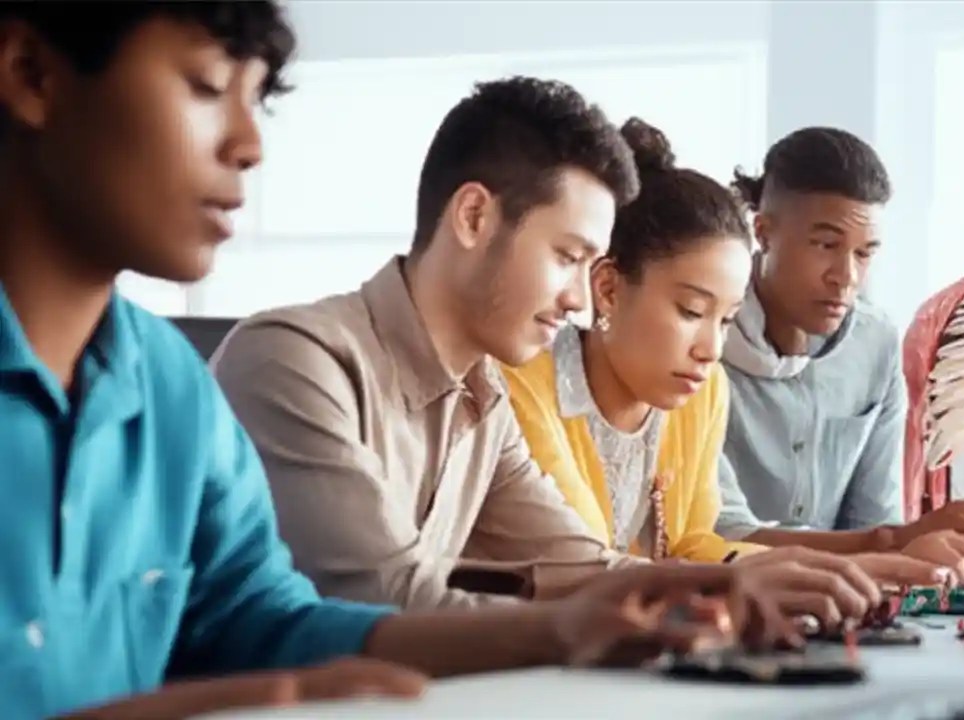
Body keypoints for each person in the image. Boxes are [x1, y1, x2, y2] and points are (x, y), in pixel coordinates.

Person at [0, 3, 857, 717]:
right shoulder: (287, 359)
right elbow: (370, 601)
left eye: (257, 102)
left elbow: (267, 620)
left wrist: (684, 594)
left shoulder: (169, 383)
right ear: (33, 75)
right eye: (204, 87)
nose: (250, 145)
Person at [211, 73, 885, 610]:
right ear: (474, 216)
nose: (577, 298)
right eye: (567, 257)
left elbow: (581, 565)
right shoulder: (297, 361)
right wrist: (596, 626)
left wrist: (734, 587)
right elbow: (387, 596)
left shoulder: (484, 401)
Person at [503, 118, 964, 590]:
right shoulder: (525, 384)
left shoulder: (700, 393)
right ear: (609, 289)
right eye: (690, 310)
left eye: (726, 319)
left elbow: (698, 546)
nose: (710, 350)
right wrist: (876, 559)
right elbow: (584, 565)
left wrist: (887, 561)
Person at [711, 127, 964, 582]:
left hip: (844, 598)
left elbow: (873, 518)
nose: (846, 276)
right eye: (825, 245)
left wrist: (925, 548)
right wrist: (895, 541)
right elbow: (717, 535)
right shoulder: (700, 347)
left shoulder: (875, 346)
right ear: (764, 232)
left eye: (864, 253)